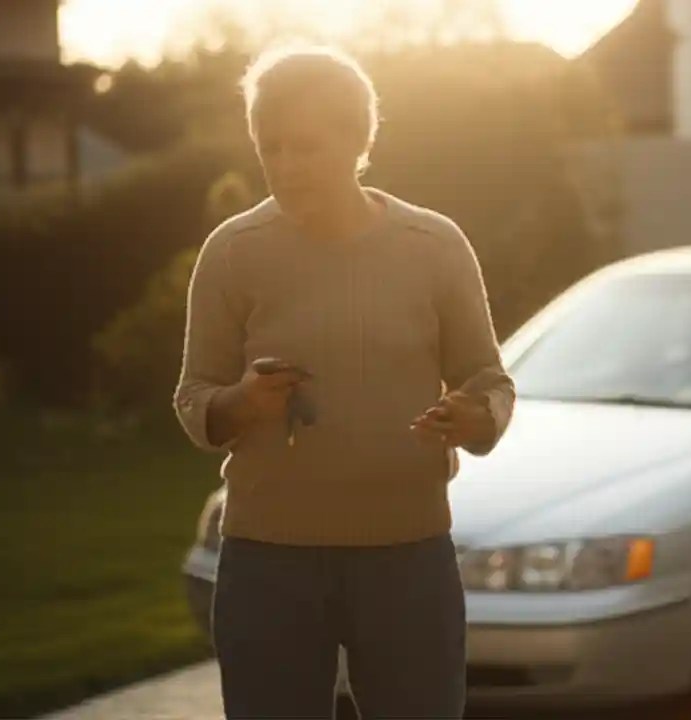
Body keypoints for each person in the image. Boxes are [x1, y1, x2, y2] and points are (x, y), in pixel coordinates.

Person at [173, 43, 515, 719]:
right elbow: (195, 397)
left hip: (407, 556)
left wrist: (473, 418)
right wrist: (243, 401)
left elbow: (488, 378)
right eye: (271, 147)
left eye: (306, 146)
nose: (287, 166)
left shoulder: (434, 245)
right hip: (269, 561)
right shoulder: (232, 253)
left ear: (358, 143)